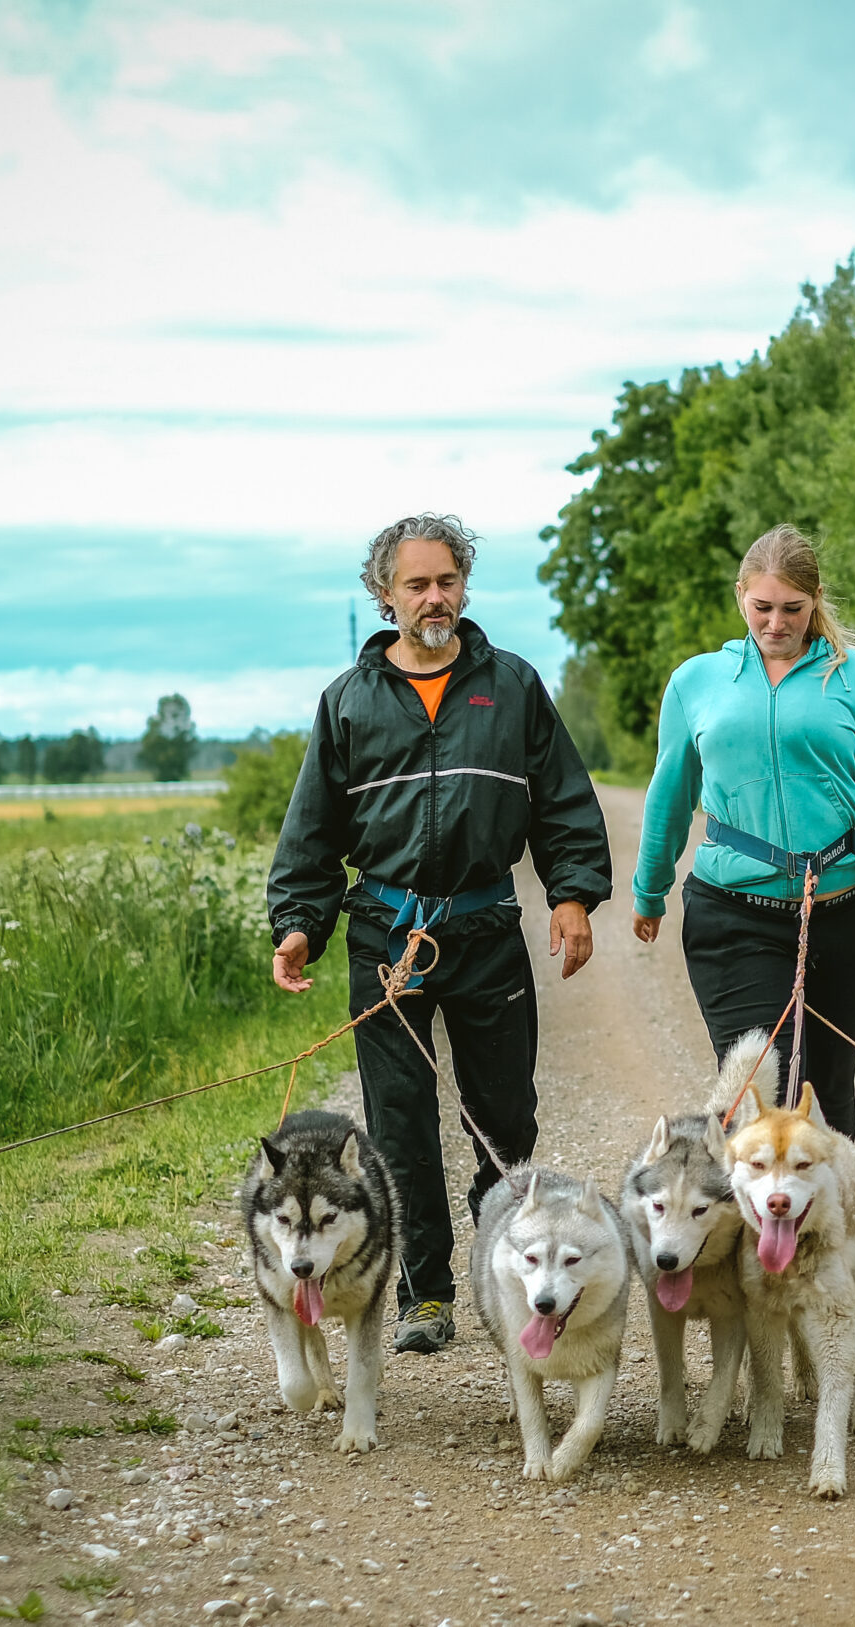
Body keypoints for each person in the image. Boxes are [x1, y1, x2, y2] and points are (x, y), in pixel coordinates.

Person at [267, 513, 611, 1354]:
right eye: (415, 583)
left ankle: (508, 1269)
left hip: (486, 926)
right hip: (386, 938)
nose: (434, 597)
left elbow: (562, 799)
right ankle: (427, 1291)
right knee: (399, 1126)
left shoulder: (514, 685)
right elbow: (312, 829)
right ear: (383, 595)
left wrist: (573, 897)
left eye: (446, 580)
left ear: (464, 587)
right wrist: (299, 923)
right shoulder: (348, 702)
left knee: (504, 1118)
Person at [630, 525, 855, 1136]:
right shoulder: (697, 681)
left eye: (792, 608)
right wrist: (649, 890)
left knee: (826, 1096)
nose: (776, 623)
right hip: (733, 914)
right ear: (741, 596)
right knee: (761, 1093)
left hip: (842, 911)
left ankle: (829, 1230)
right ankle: (756, 1228)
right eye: (762, 607)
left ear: (815, 601)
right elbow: (671, 792)